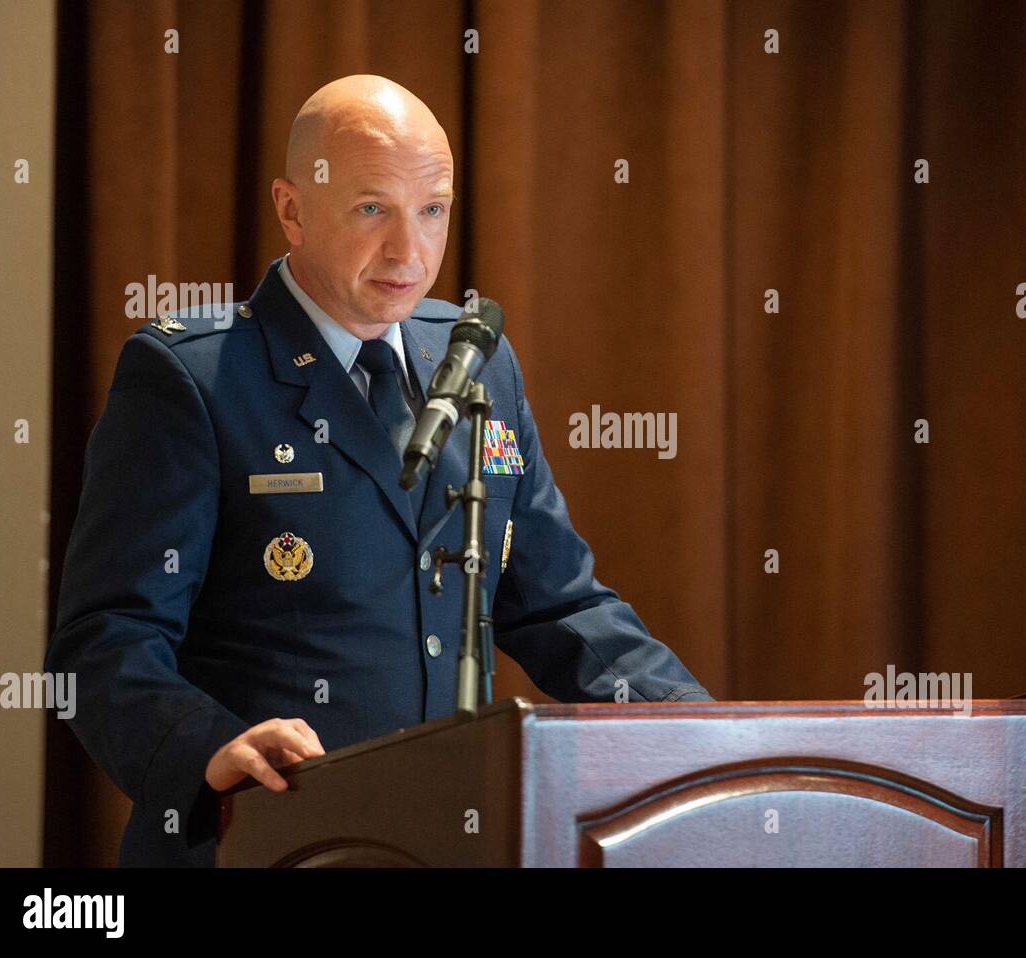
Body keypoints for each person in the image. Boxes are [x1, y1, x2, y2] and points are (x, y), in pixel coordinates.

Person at [45, 75, 711, 867]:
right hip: (265, 838)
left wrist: (698, 729)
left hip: (439, 842)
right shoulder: (193, 375)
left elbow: (557, 603)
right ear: (292, 209)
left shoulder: (476, 362)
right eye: (372, 209)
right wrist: (211, 749)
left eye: (432, 210)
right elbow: (104, 642)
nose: (409, 250)